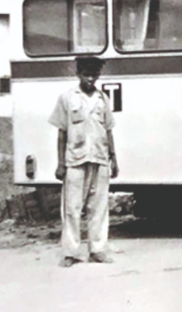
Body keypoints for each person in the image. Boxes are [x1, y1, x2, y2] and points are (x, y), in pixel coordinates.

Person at [49, 56, 118, 268]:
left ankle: (97, 249)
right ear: (78, 74)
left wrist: (113, 158)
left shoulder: (102, 98)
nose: (90, 79)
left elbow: (108, 130)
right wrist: (60, 163)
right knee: (72, 208)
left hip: (99, 158)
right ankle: (71, 252)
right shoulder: (67, 98)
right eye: (86, 74)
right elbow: (62, 132)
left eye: (94, 75)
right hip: (75, 160)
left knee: (99, 208)